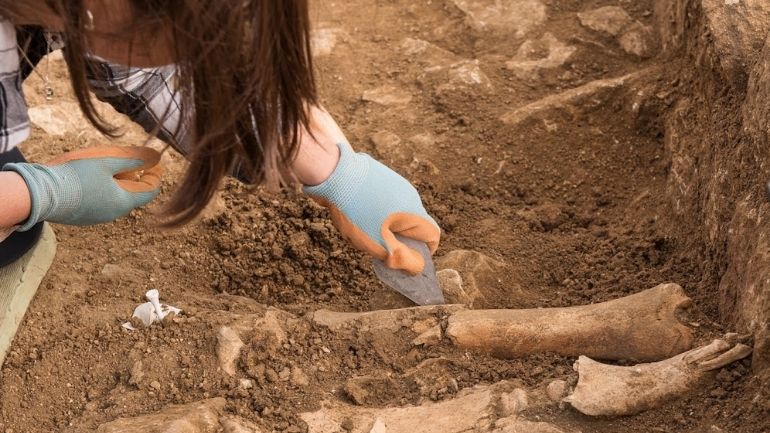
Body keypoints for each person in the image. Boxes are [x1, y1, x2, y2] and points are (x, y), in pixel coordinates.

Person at [0, 1, 440, 358]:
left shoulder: (106, 13)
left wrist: (331, 166)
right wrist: (42, 192)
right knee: (14, 234)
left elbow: (153, 74)